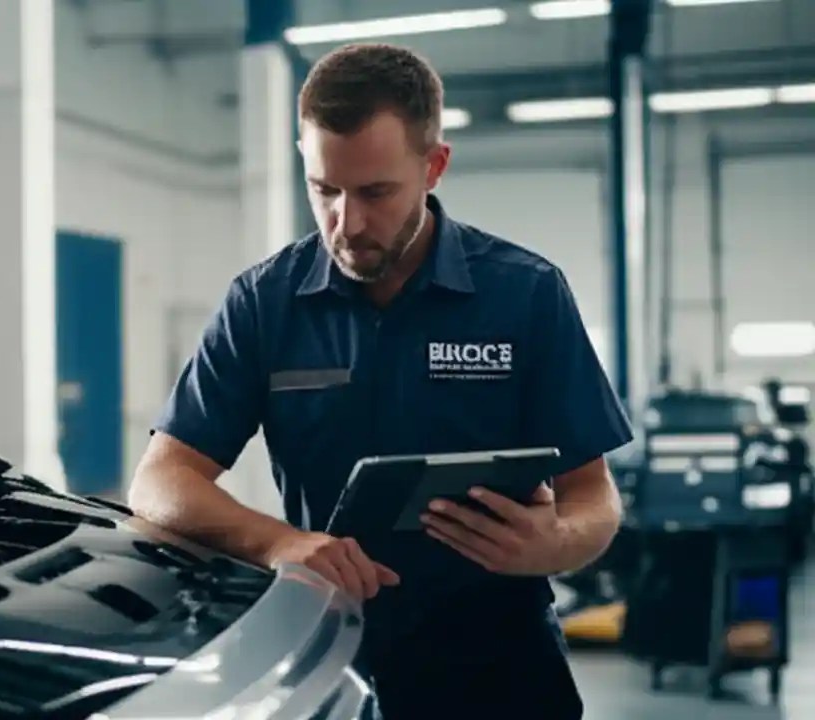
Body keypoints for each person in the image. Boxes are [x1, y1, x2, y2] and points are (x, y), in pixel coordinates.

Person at [128, 43, 635, 717]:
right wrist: (280, 542)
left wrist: (558, 544)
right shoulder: (264, 302)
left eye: (375, 192)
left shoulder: (526, 294)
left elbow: (593, 496)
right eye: (323, 190)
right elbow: (159, 484)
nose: (347, 223)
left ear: (434, 166)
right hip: (331, 654)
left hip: (501, 662)